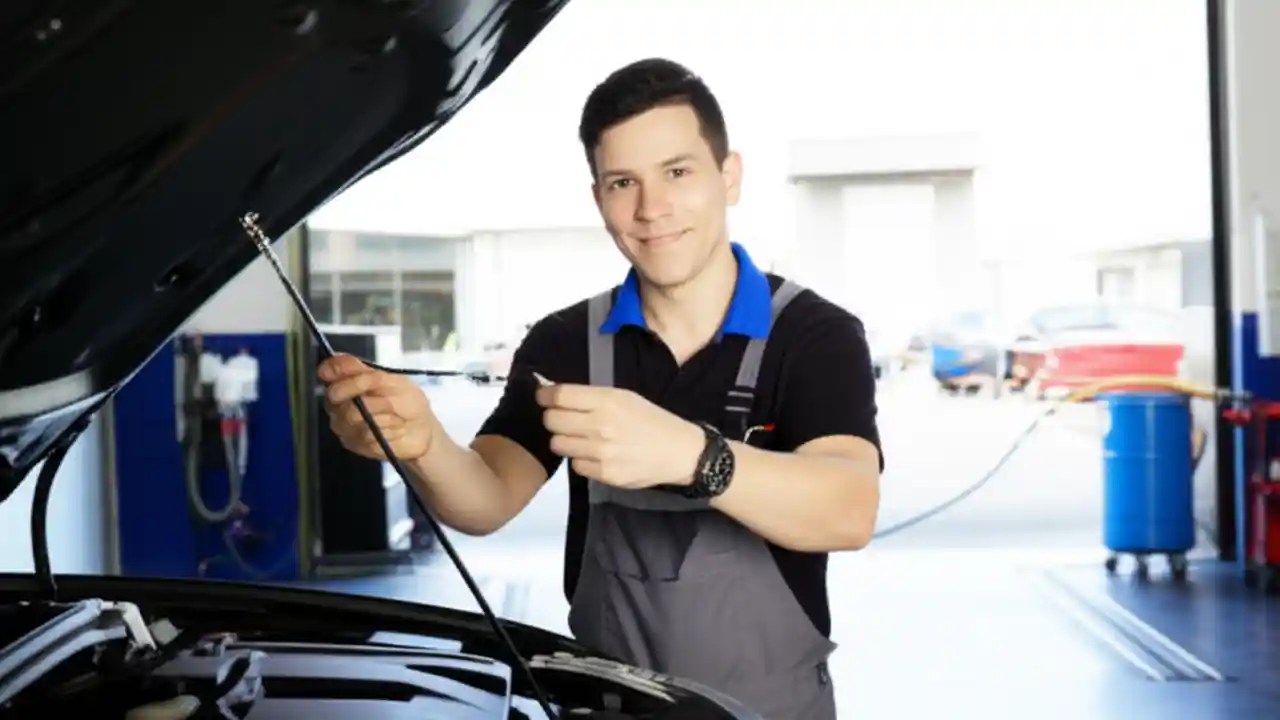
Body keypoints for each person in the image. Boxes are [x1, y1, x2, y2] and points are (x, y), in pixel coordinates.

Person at [319, 57, 883, 719]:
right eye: (623, 183)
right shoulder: (566, 343)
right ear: (598, 198)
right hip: (605, 708)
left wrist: (694, 457)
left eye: (677, 172)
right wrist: (421, 445)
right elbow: (487, 498)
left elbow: (850, 510)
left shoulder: (814, 336)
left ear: (728, 176)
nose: (651, 208)